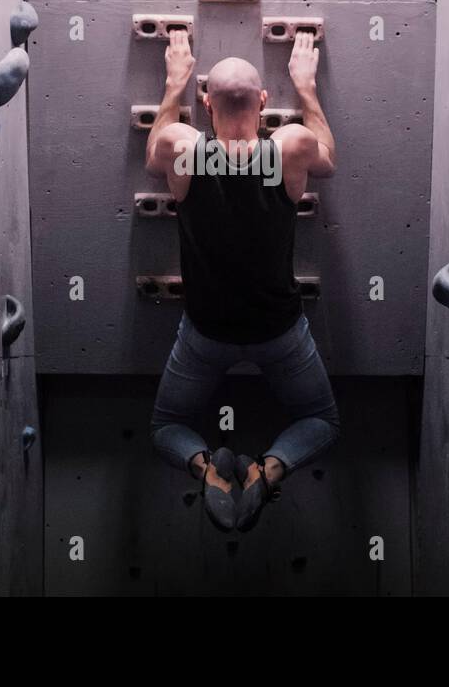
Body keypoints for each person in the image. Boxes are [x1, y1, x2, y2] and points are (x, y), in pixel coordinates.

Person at [143, 29, 340, 532]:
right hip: (279, 330)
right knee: (322, 422)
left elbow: (152, 154)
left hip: (206, 332)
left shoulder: (182, 149)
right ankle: (267, 468)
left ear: (205, 103)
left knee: (166, 426)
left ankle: (208, 467)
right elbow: (329, 160)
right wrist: (307, 88)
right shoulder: (289, 148)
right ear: (264, 102)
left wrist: (173, 84)